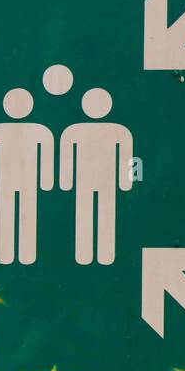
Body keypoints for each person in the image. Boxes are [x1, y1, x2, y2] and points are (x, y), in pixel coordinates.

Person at [58, 88, 133, 265]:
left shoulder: (119, 131)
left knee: (104, 215)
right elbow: (66, 157)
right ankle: (86, 253)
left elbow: (130, 159)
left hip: (105, 181)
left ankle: (102, 253)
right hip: (86, 181)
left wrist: (127, 180)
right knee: (87, 214)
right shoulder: (74, 131)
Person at [0, 88, 55, 265]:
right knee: (7, 214)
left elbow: (47, 158)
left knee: (27, 214)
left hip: (27, 181)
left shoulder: (40, 131)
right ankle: (6, 254)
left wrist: (46, 182)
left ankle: (26, 254)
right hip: (6, 182)